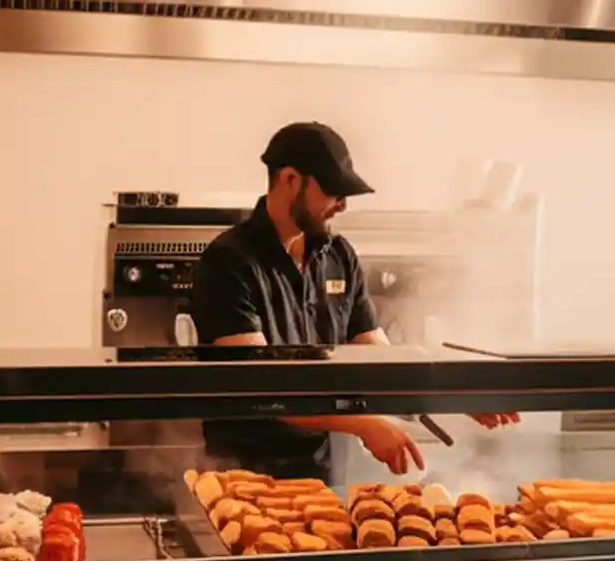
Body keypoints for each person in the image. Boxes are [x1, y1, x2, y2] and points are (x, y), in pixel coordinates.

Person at [191, 121, 517, 481]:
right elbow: (258, 386)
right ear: (289, 180)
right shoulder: (228, 262)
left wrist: (454, 395)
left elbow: (377, 356)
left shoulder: (339, 256)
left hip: (319, 476)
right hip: (241, 478)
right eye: (332, 190)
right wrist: (363, 424)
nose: (342, 205)